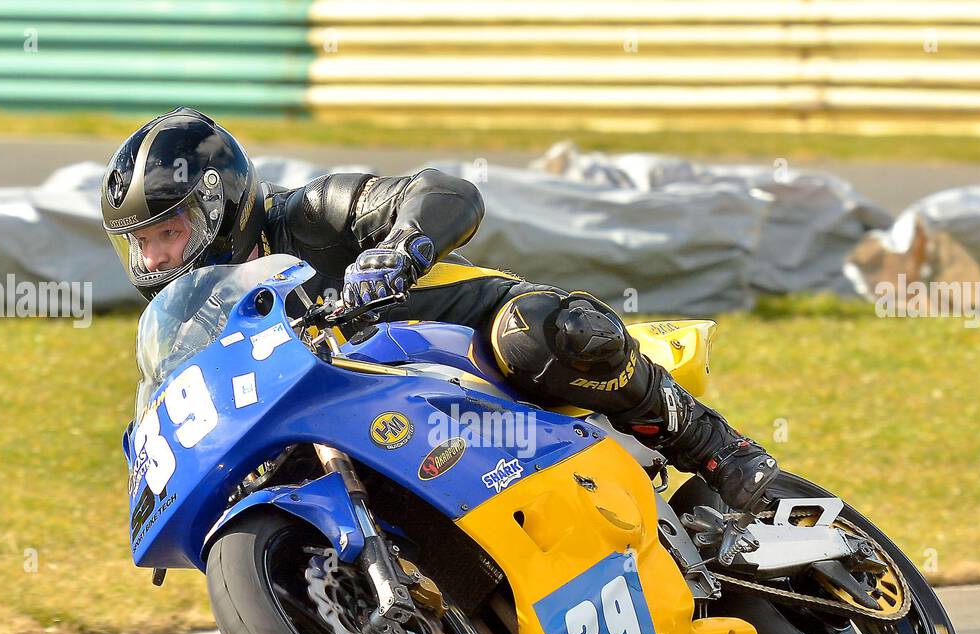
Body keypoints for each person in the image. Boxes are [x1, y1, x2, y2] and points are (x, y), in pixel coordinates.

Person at [101, 108, 778, 511]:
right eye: (143, 243)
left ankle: (720, 450)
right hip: (374, 426)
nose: (156, 259)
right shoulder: (192, 327)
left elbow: (442, 191)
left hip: (469, 344)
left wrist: (399, 248)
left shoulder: (303, 214)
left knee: (542, 335)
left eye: (170, 232)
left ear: (220, 207)